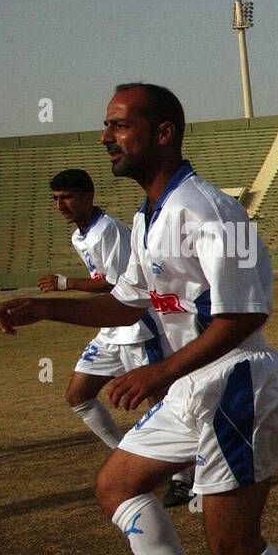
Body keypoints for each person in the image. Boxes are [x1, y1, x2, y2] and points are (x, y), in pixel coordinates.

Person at [0, 84, 278, 555]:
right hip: (190, 386)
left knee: (231, 544)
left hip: (237, 385)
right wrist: (45, 307)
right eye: (106, 125)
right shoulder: (150, 217)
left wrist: (159, 370)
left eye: (119, 125)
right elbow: (130, 303)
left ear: (162, 133)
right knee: (116, 486)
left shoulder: (210, 211)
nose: (105, 138)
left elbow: (245, 313)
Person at [40, 168, 193, 507]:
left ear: (87, 196)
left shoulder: (108, 230)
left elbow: (119, 283)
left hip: (137, 325)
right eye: (55, 199)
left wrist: (66, 284)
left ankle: (183, 479)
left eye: (66, 197)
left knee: (159, 398)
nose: (61, 205)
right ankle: (132, 459)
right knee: (78, 395)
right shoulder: (81, 235)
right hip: (111, 329)